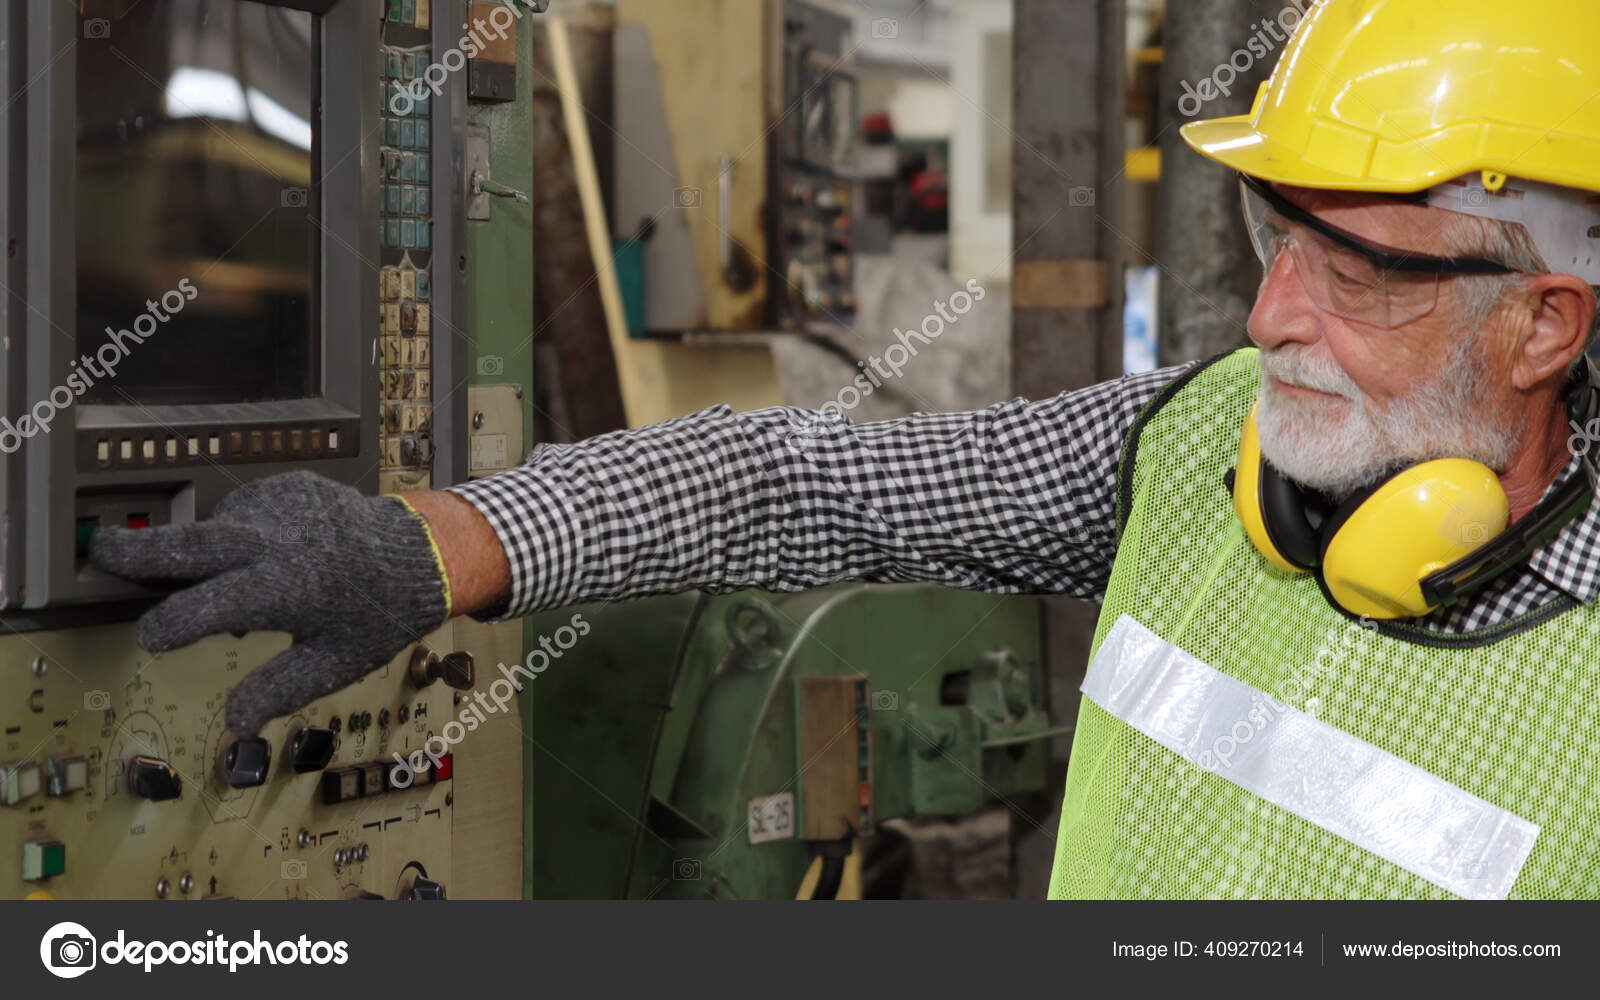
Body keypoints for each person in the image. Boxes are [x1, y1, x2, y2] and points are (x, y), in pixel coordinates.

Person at [90, 0, 1600, 898]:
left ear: (1542, 324)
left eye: (1359, 275)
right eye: (1274, 238)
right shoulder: (1193, 446)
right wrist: (439, 543)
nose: (1270, 318)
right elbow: (793, 480)